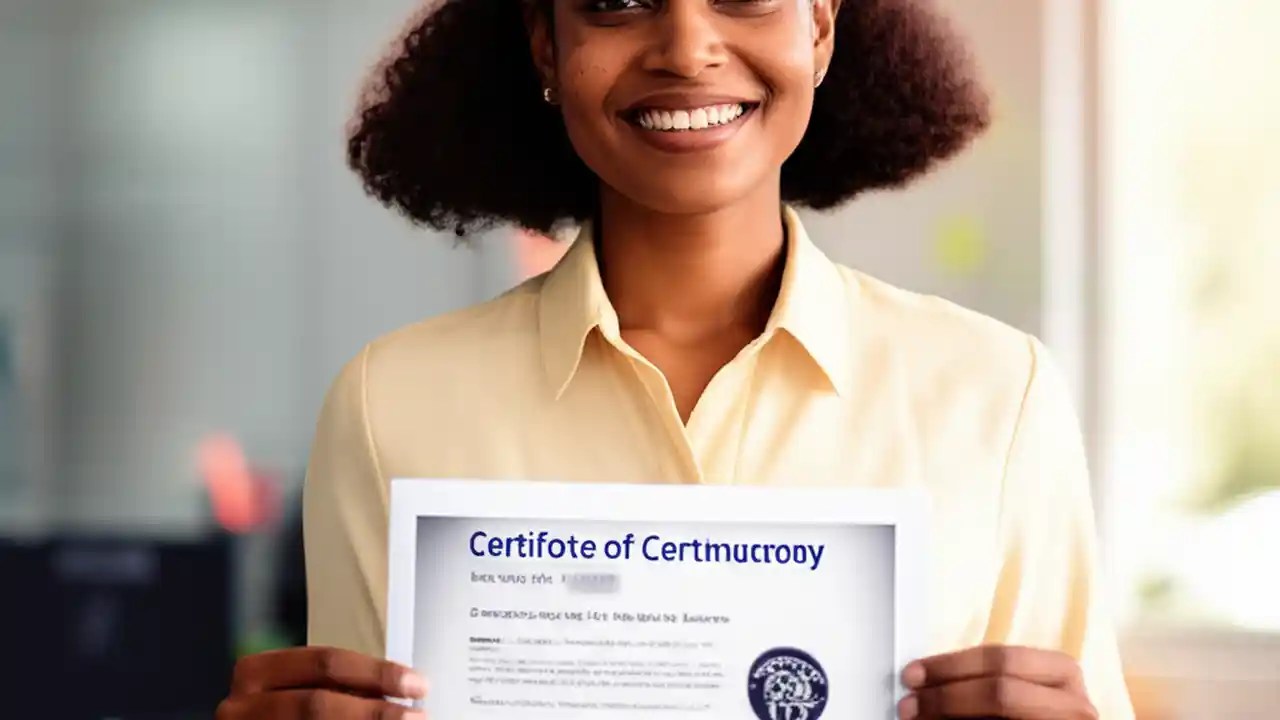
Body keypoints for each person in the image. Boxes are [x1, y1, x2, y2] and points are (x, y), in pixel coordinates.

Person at [217, 0, 1133, 718]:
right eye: (619, 0)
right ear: (545, 45)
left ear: (819, 24)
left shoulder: (995, 394)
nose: (687, 46)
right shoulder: (391, 406)